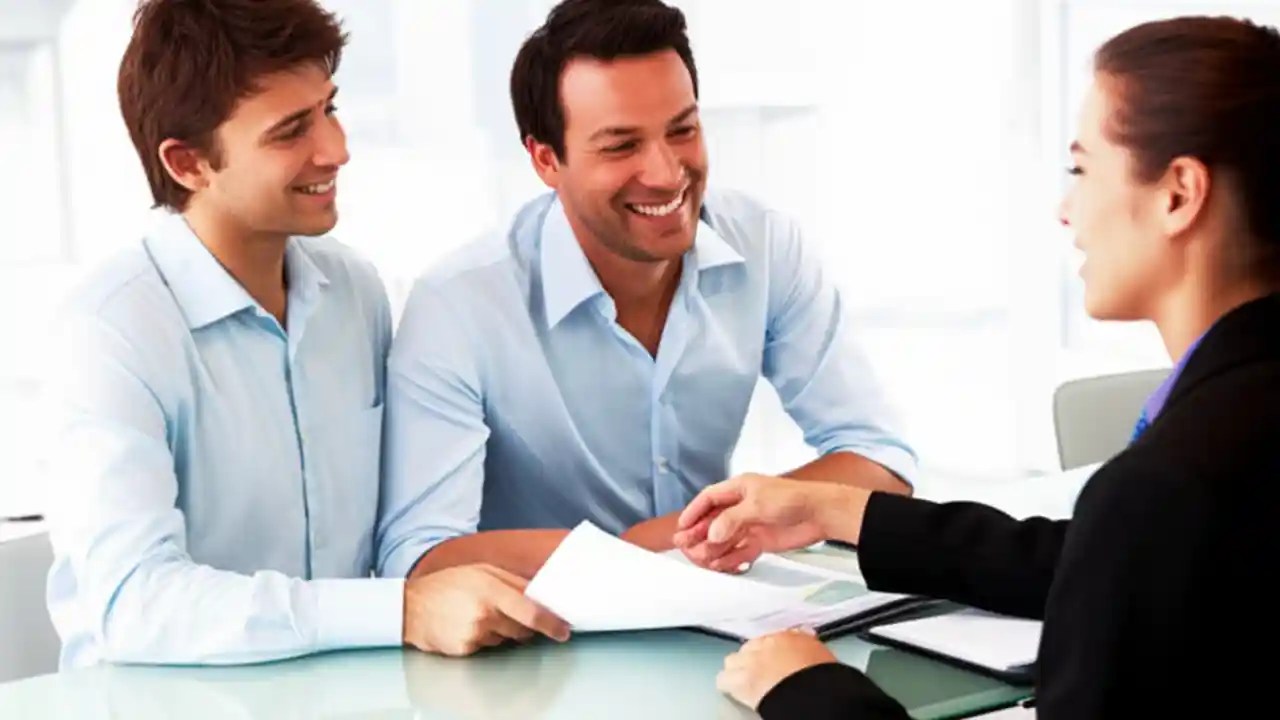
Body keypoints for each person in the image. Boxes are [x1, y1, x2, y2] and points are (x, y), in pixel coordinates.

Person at [673, 14, 1280, 718]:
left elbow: (1131, 543)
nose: (1064, 209)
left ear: (1179, 193)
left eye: (1082, 170)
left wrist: (808, 688)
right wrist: (837, 511)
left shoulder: (1170, 486)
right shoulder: (1228, 438)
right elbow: (1097, 560)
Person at [43, 0, 566, 670]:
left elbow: (391, 533)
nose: (337, 149)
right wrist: (400, 609)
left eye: (330, 109)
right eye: (291, 131)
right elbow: (136, 603)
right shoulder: (111, 331)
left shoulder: (354, 291)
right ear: (188, 163)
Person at [376, 0, 916, 584]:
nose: (664, 172)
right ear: (545, 160)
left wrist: (742, 514)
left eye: (682, 130)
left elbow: (880, 459)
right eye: (620, 146)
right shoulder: (461, 305)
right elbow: (421, 554)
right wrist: (633, 552)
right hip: (539, 644)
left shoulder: (764, 247)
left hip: (721, 617)